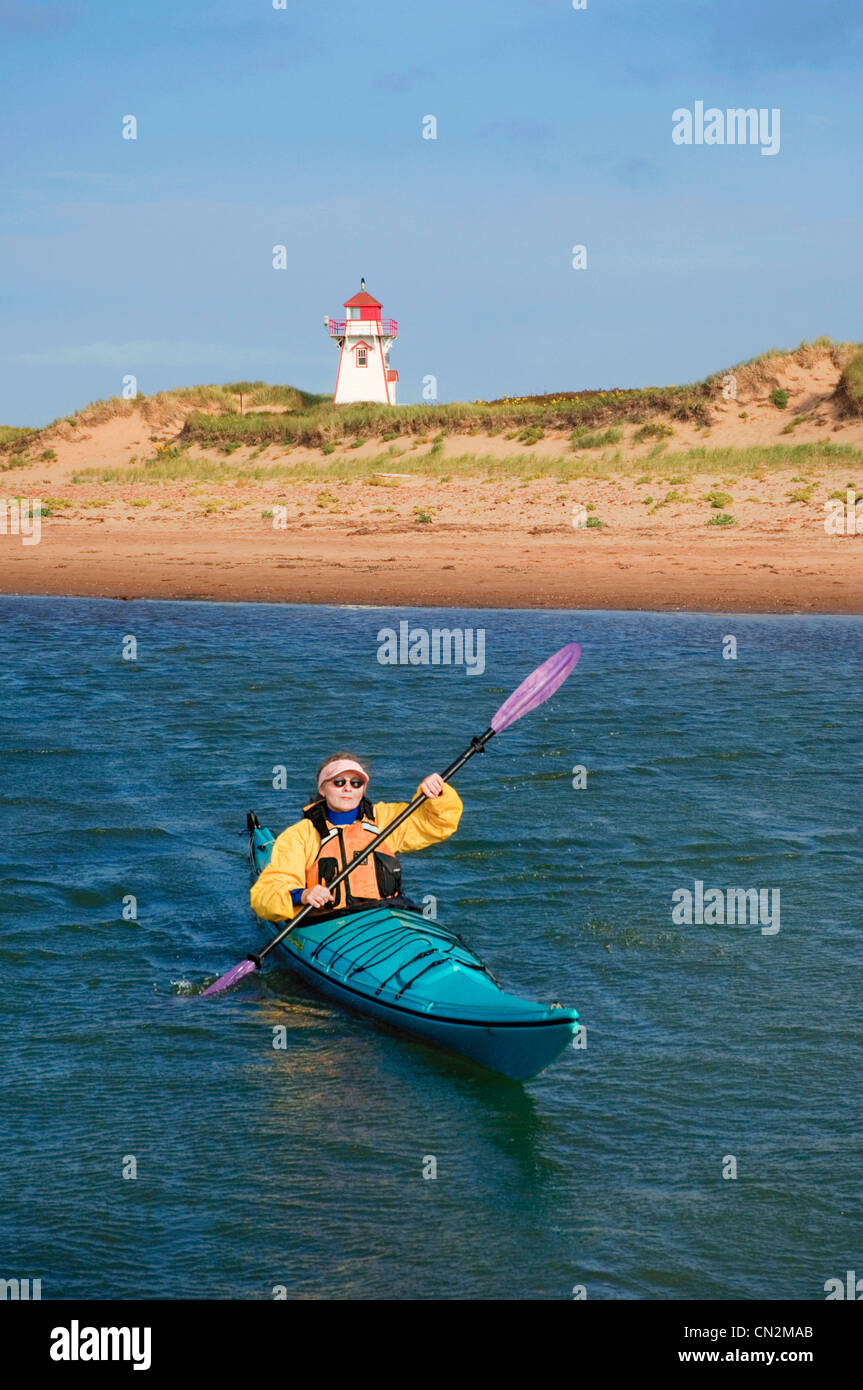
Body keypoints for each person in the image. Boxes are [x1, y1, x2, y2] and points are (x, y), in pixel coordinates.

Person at [250, 751, 463, 922]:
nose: (347, 789)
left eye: (356, 783)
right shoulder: (300, 835)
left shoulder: (385, 820)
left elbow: (437, 824)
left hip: (385, 915)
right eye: (339, 782)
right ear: (323, 789)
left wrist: (438, 794)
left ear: (363, 789)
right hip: (326, 921)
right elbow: (265, 895)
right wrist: (303, 895)